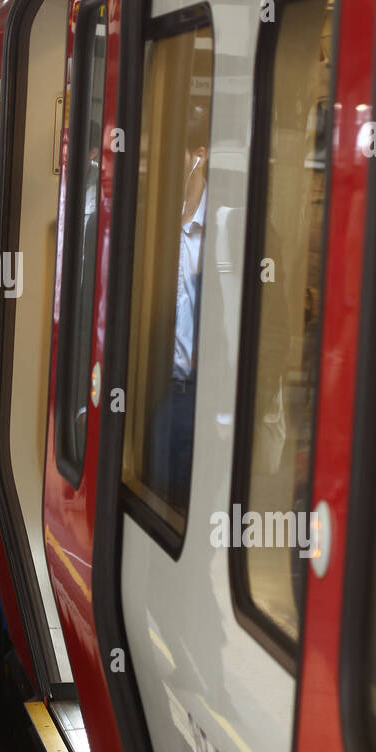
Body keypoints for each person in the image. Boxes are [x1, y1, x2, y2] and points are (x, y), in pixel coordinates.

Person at [146, 103, 209, 509]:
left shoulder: (230, 230)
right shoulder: (151, 222)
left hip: (203, 398)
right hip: (157, 392)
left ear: (198, 156)